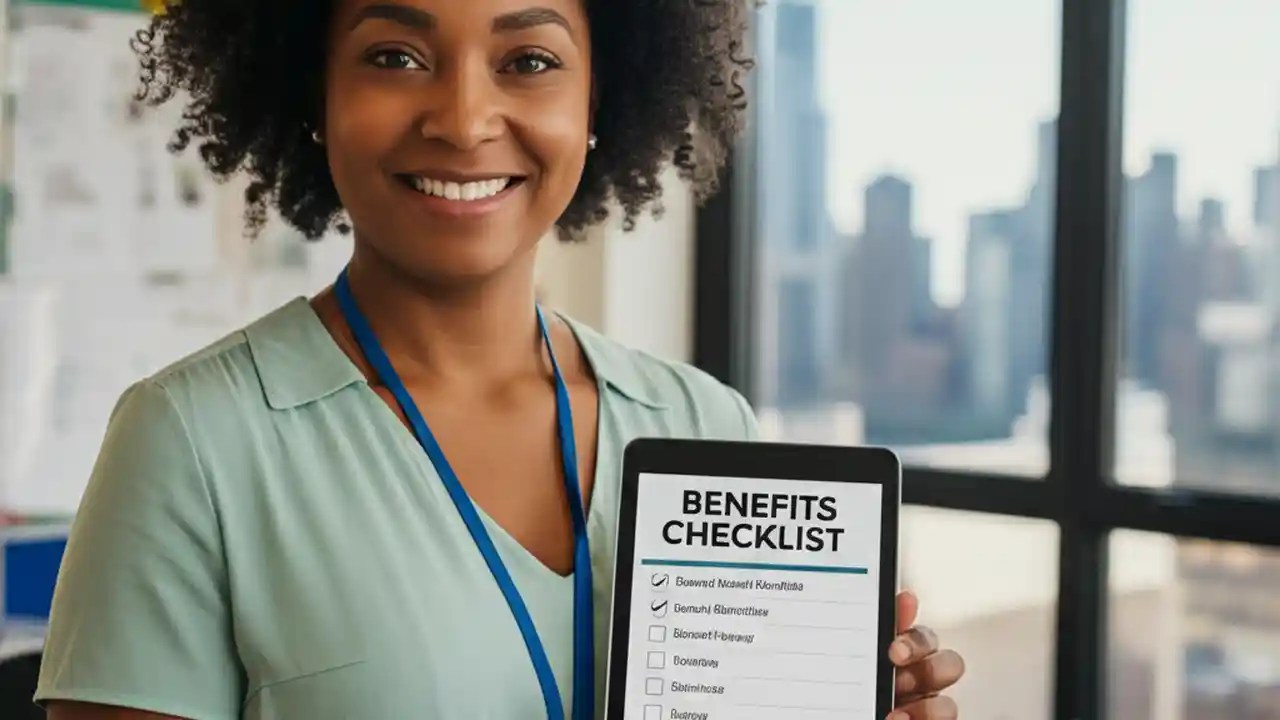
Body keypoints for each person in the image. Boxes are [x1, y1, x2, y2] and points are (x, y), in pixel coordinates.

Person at [36, 0, 966, 718]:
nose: (464, 117)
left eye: (529, 61)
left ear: (598, 99)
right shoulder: (190, 441)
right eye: (395, 56)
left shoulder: (705, 422)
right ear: (312, 93)